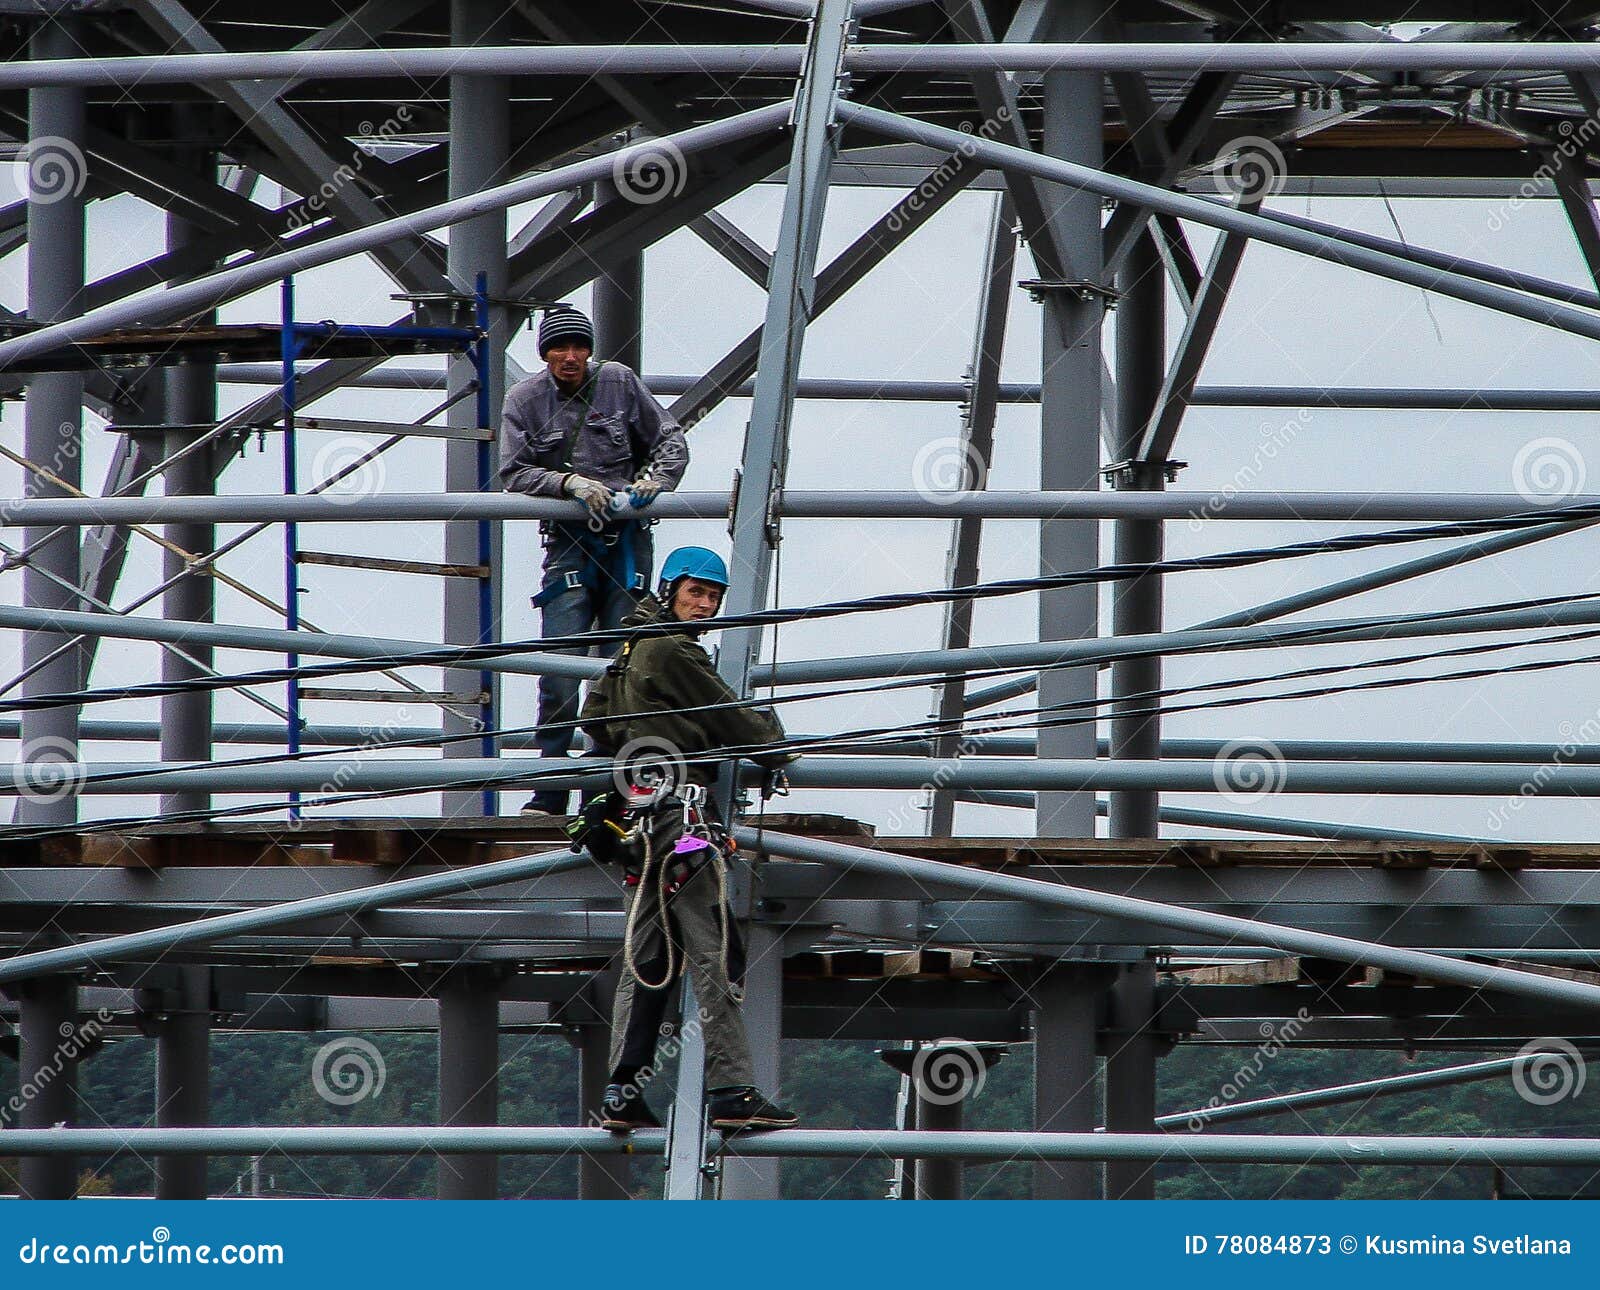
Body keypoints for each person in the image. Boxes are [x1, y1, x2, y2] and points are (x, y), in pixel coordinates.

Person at [578, 545, 800, 1133]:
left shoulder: (627, 650)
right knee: (714, 948)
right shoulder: (672, 650)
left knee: (646, 955)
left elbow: (593, 720)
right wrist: (772, 743)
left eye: (713, 597)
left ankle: (623, 1093)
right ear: (672, 589)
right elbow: (734, 717)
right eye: (696, 593)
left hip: (636, 819)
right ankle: (732, 1091)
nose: (704, 606)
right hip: (680, 821)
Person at [499, 303, 688, 816]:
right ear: (545, 354)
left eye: (579, 347)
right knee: (559, 665)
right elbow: (512, 472)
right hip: (569, 546)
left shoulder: (620, 383)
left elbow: (671, 439)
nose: (570, 357)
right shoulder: (525, 400)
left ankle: (603, 791)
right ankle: (550, 788)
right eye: (559, 347)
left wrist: (655, 481)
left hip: (625, 545)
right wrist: (567, 483)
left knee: (618, 668)